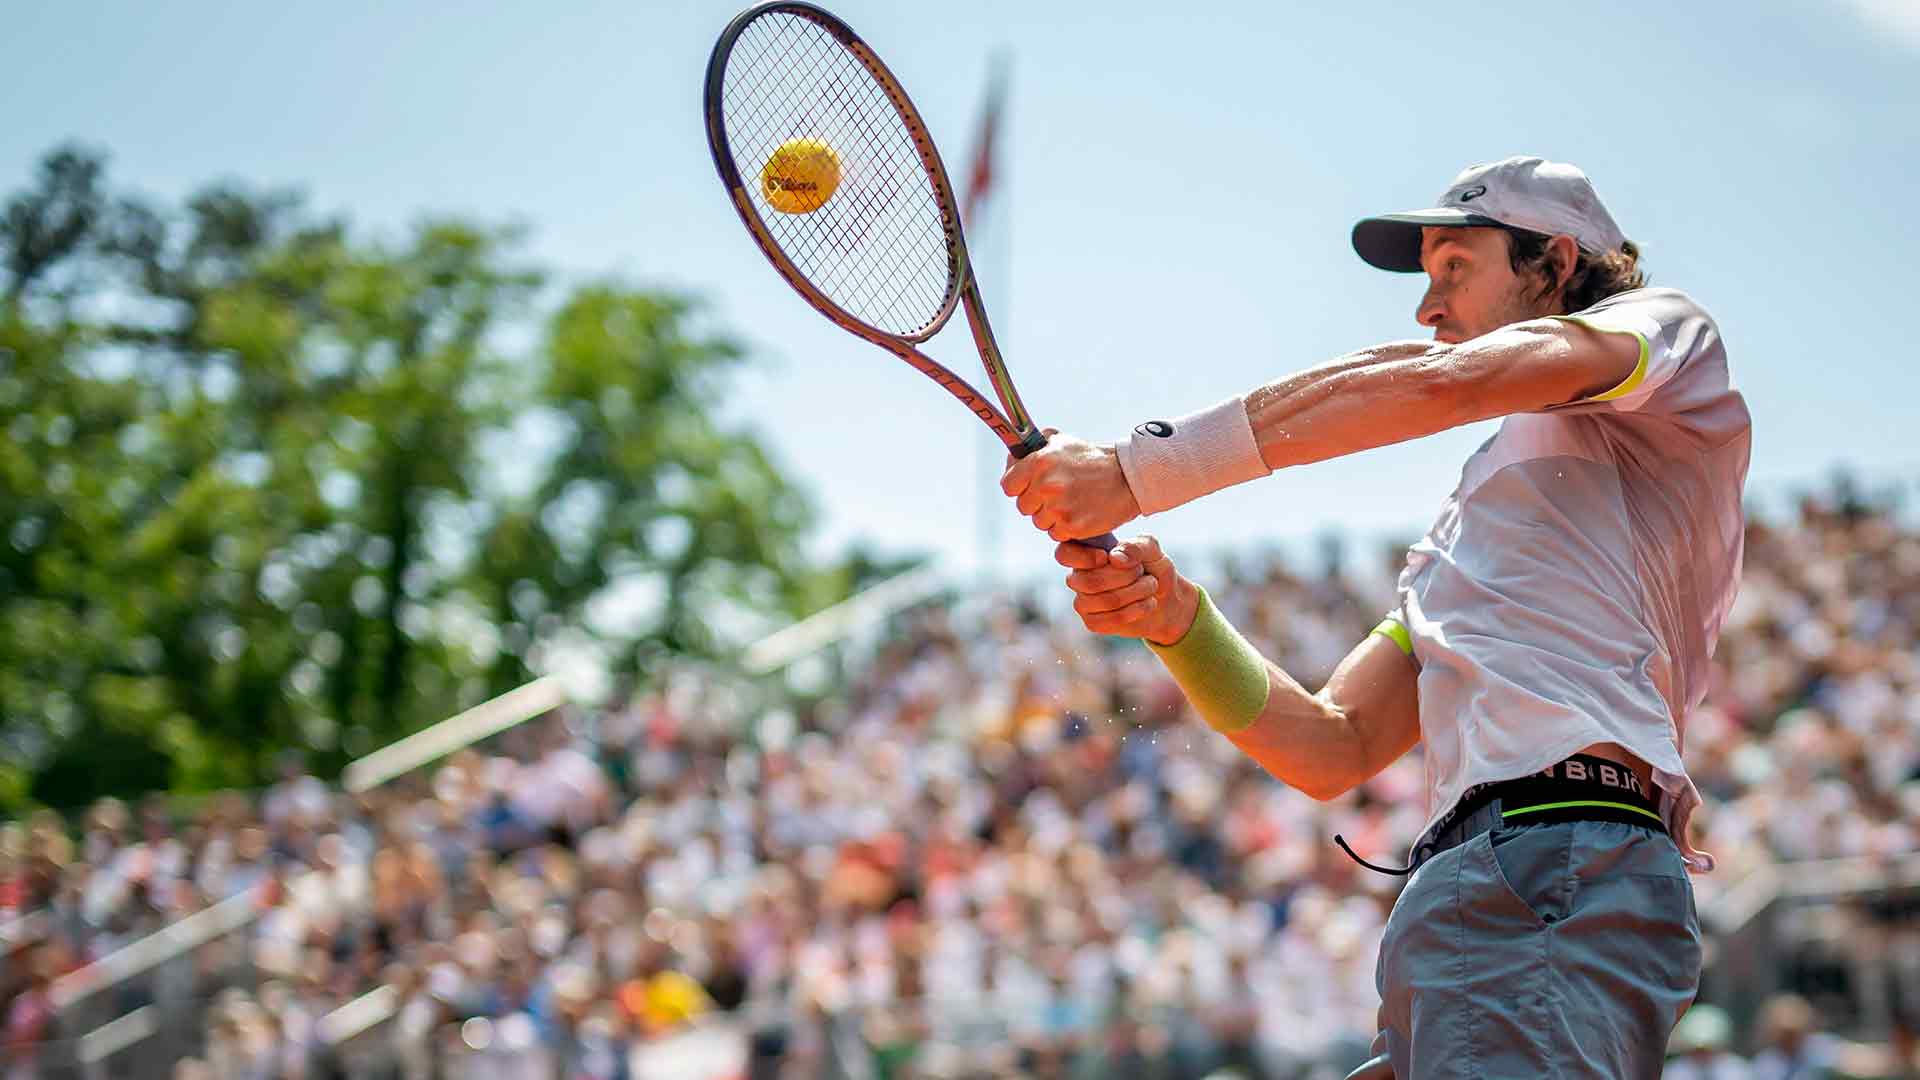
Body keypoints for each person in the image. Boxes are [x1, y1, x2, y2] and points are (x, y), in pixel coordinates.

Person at [1001, 156, 1751, 1077]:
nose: (1427, 309)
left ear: (1554, 263)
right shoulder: (1469, 521)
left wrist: (1138, 471)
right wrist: (1175, 621)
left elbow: (1451, 381)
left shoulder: (1664, 334)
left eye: (1454, 270)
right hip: (1472, 895)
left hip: (1555, 864)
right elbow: (1332, 745)